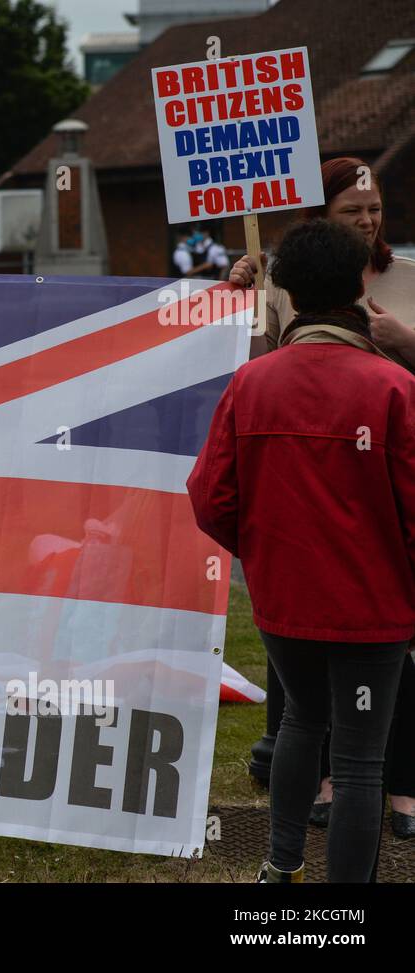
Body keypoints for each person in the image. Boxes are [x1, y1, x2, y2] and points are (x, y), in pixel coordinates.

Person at [188, 219, 415, 882]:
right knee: (358, 762)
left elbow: (210, 497)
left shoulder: (251, 383)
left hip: (283, 602)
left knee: (300, 722)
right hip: (374, 611)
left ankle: (278, 864)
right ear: (358, 287)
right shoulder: (395, 389)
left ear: (285, 290)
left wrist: (262, 551)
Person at [233, 157, 415, 360]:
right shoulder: (281, 284)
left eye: (374, 210)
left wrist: (405, 339)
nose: (366, 221)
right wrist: (250, 295)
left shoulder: (410, 275)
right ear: (320, 216)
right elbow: (257, 364)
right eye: (351, 211)